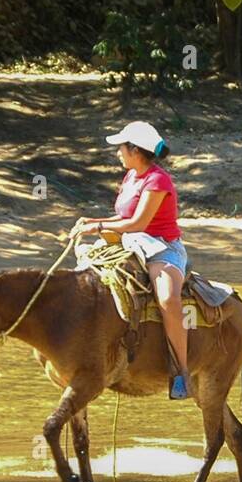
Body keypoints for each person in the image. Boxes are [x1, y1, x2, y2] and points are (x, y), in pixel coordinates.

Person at [76, 121, 192, 400]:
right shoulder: (131, 177)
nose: (118, 152)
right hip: (132, 242)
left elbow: (140, 221)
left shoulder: (157, 180)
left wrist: (99, 229)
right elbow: (125, 218)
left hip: (162, 248)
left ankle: (181, 371)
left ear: (135, 150)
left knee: (168, 299)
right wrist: (93, 221)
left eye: (122, 147)